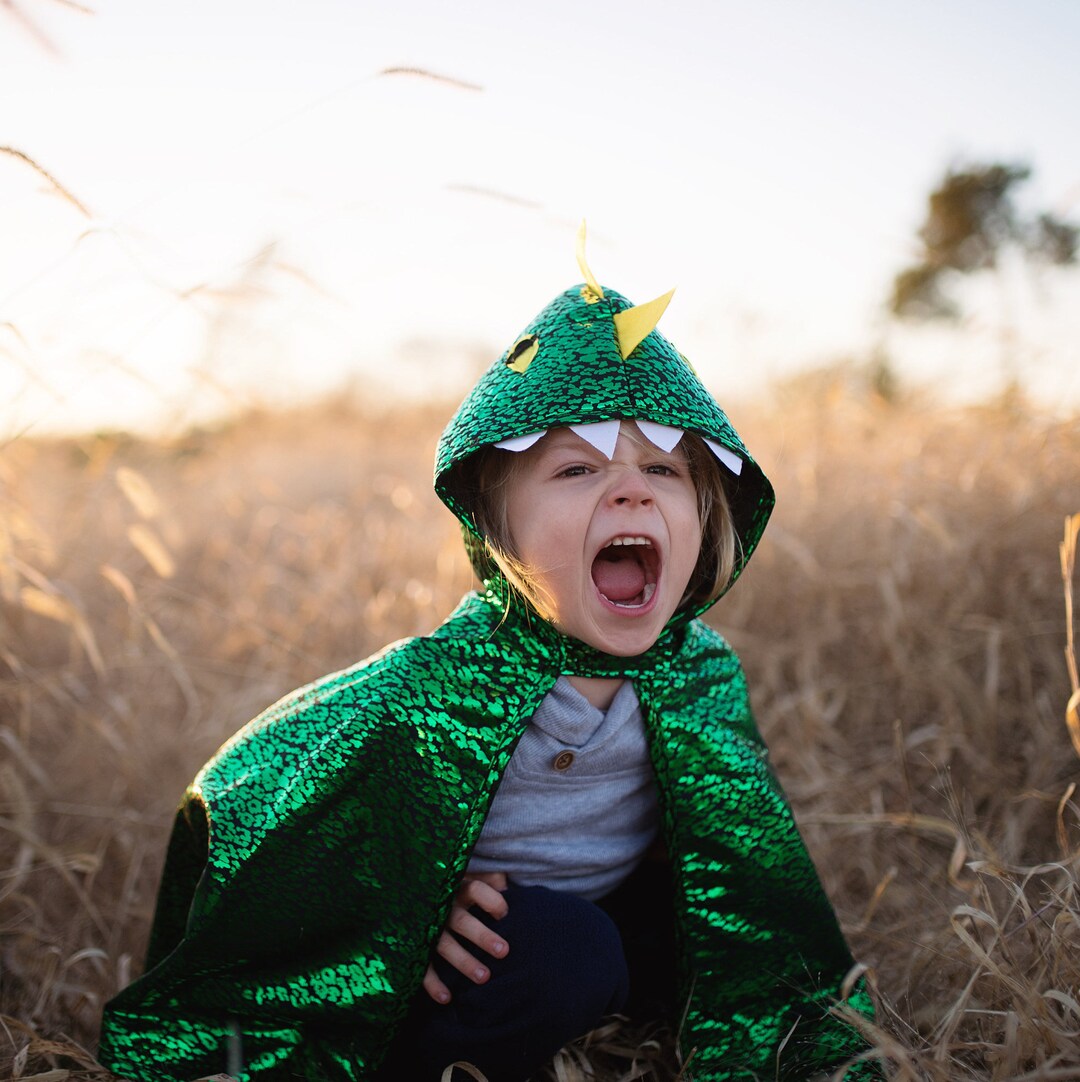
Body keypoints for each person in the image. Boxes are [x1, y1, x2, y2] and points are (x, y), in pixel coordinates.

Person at [98, 239, 878, 1081]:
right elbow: (257, 782)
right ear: (497, 531)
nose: (631, 491)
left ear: (708, 514)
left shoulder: (701, 675)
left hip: (610, 903)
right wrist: (412, 904)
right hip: (488, 941)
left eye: (663, 468)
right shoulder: (437, 688)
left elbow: (732, 855)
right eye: (577, 468)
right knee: (569, 953)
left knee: (710, 944)